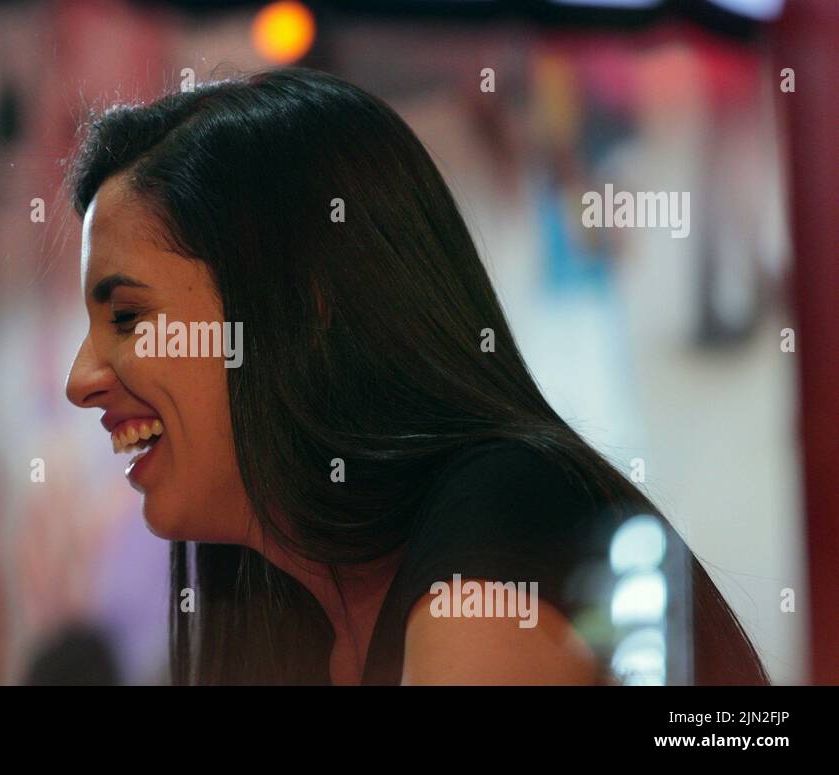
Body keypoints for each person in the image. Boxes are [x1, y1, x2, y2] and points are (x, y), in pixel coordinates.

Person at [62, 68, 767, 685]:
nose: (81, 378)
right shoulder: (290, 613)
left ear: (304, 309)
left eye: (126, 317)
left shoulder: (503, 504)